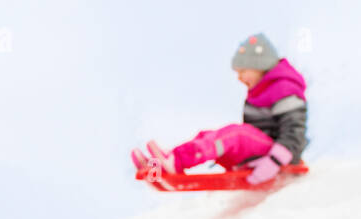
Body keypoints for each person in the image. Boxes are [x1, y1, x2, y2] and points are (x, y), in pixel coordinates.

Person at [132, 33, 308, 185]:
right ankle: (162, 162)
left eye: (242, 71)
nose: (239, 77)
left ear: (259, 66)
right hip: (260, 154)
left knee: (235, 135)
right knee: (208, 137)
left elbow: (294, 131)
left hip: (278, 156)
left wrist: (274, 161)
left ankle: (174, 162)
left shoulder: (284, 88)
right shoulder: (258, 92)